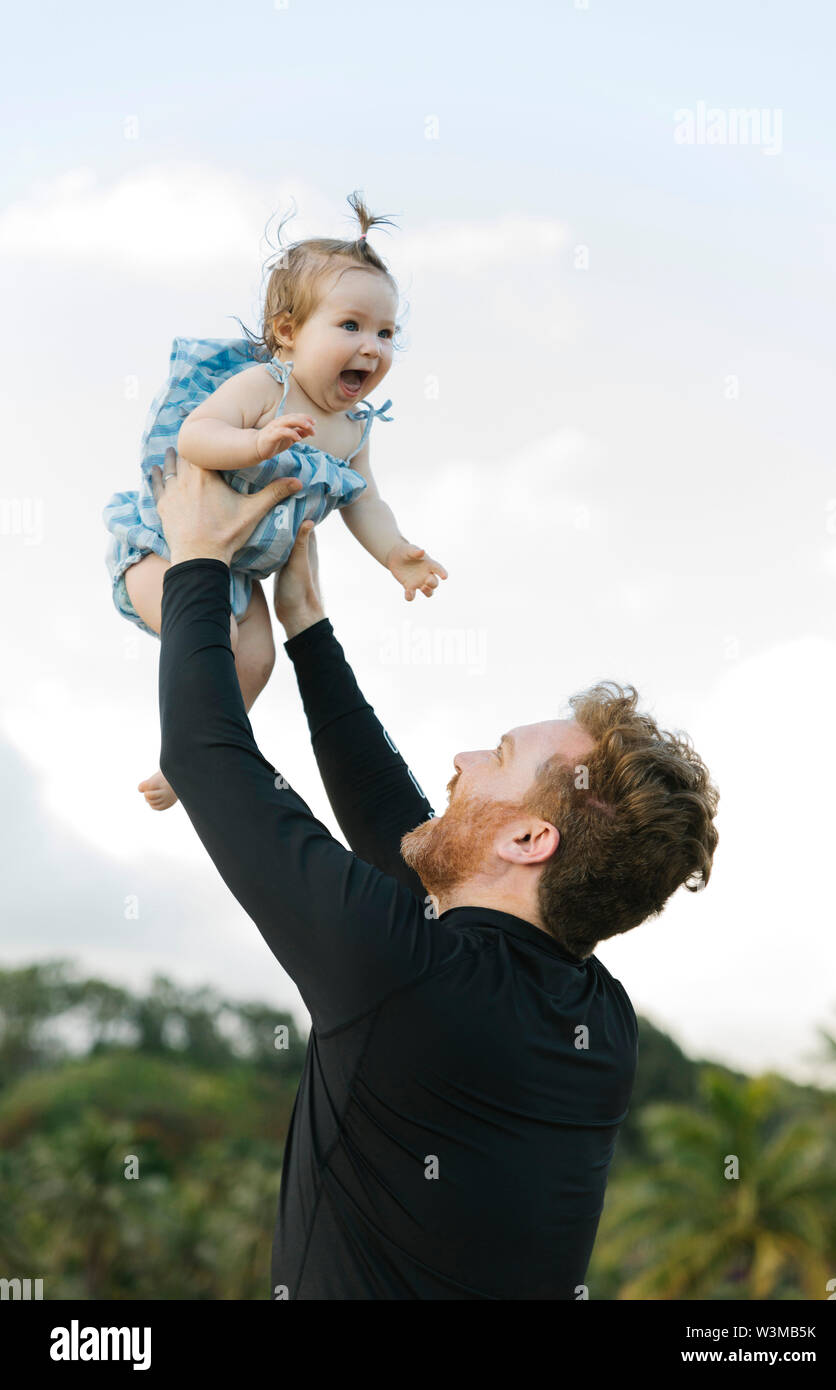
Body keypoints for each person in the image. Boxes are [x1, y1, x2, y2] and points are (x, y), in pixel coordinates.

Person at [152, 448, 720, 1300]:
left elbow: (204, 757)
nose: (457, 760)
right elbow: (406, 835)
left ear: (530, 839)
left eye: (495, 756)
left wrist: (195, 560)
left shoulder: (411, 972)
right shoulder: (595, 1023)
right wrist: (308, 629)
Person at [102, 191, 446, 810]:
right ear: (287, 334)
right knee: (221, 644)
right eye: (351, 326)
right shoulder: (266, 385)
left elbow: (364, 502)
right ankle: (188, 747)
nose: (372, 347)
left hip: (240, 574)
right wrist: (254, 441)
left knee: (257, 660)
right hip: (165, 550)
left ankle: (192, 758)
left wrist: (396, 552)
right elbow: (195, 436)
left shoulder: (354, 429)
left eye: (386, 332)